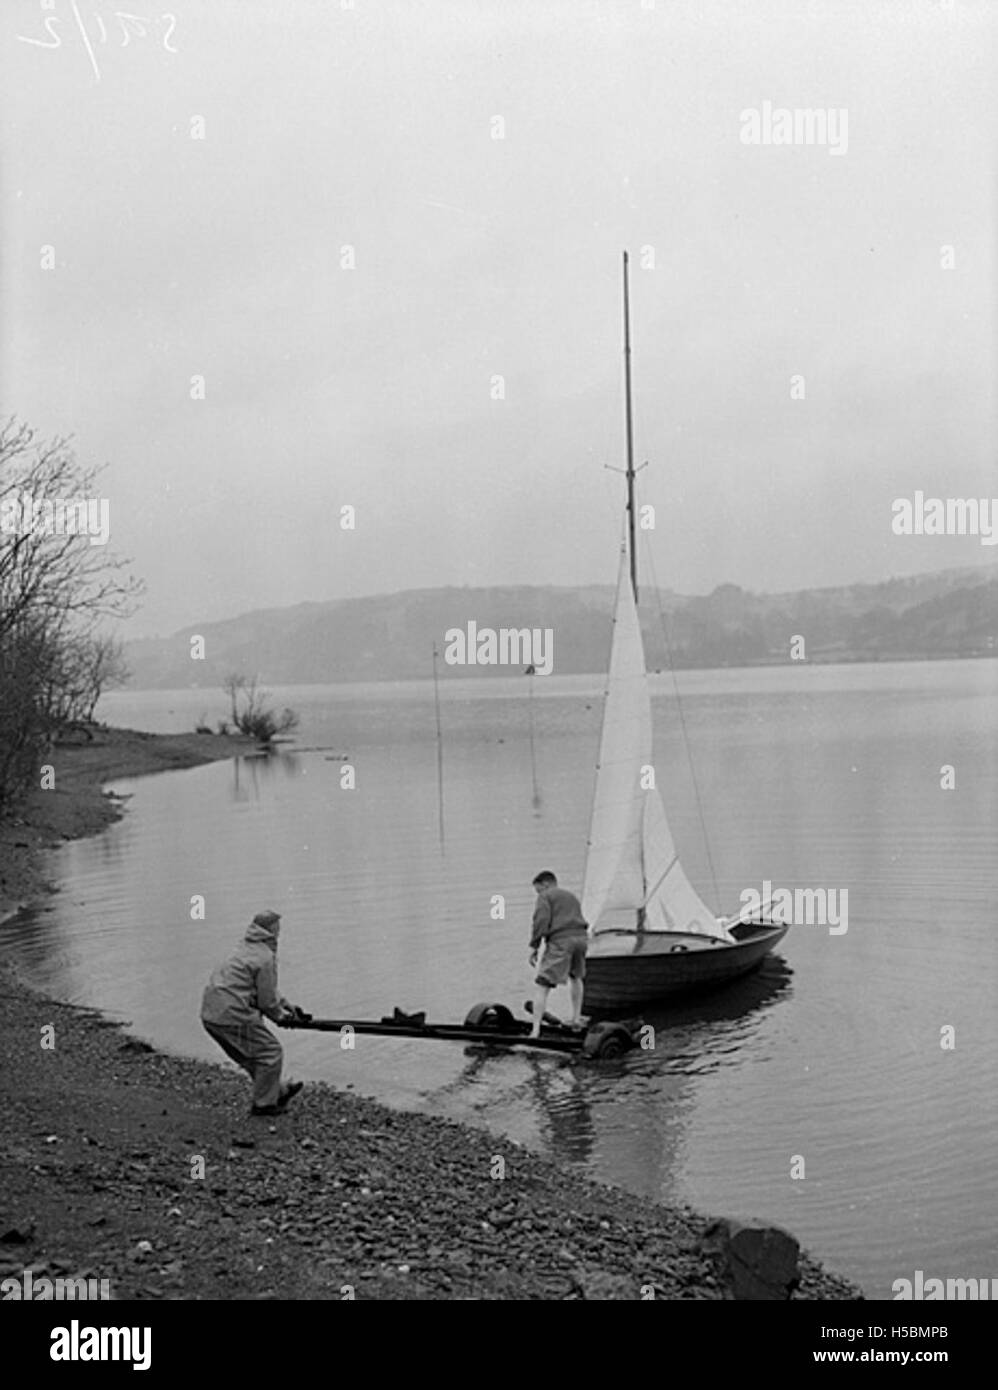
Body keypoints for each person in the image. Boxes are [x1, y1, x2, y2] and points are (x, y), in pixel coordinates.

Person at [201, 909, 305, 1117]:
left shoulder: (244, 948)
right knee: (270, 1053)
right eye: (278, 928)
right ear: (272, 930)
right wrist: (281, 1016)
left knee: (253, 1056)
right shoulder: (265, 956)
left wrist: (286, 1005)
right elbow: (266, 1000)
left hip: (211, 1013)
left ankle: (276, 1092)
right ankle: (264, 1105)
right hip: (233, 1013)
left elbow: (257, 987)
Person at [528, 870, 589, 1038]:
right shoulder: (570, 896)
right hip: (581, 938)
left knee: (543, 983)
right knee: (576, 977)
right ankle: (576, 1019)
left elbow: (541, 921)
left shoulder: (546, 896)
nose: (538, 894)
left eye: (538, 890)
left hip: (562, 940)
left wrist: (534, 946)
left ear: (545, 885)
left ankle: (535, 1030)